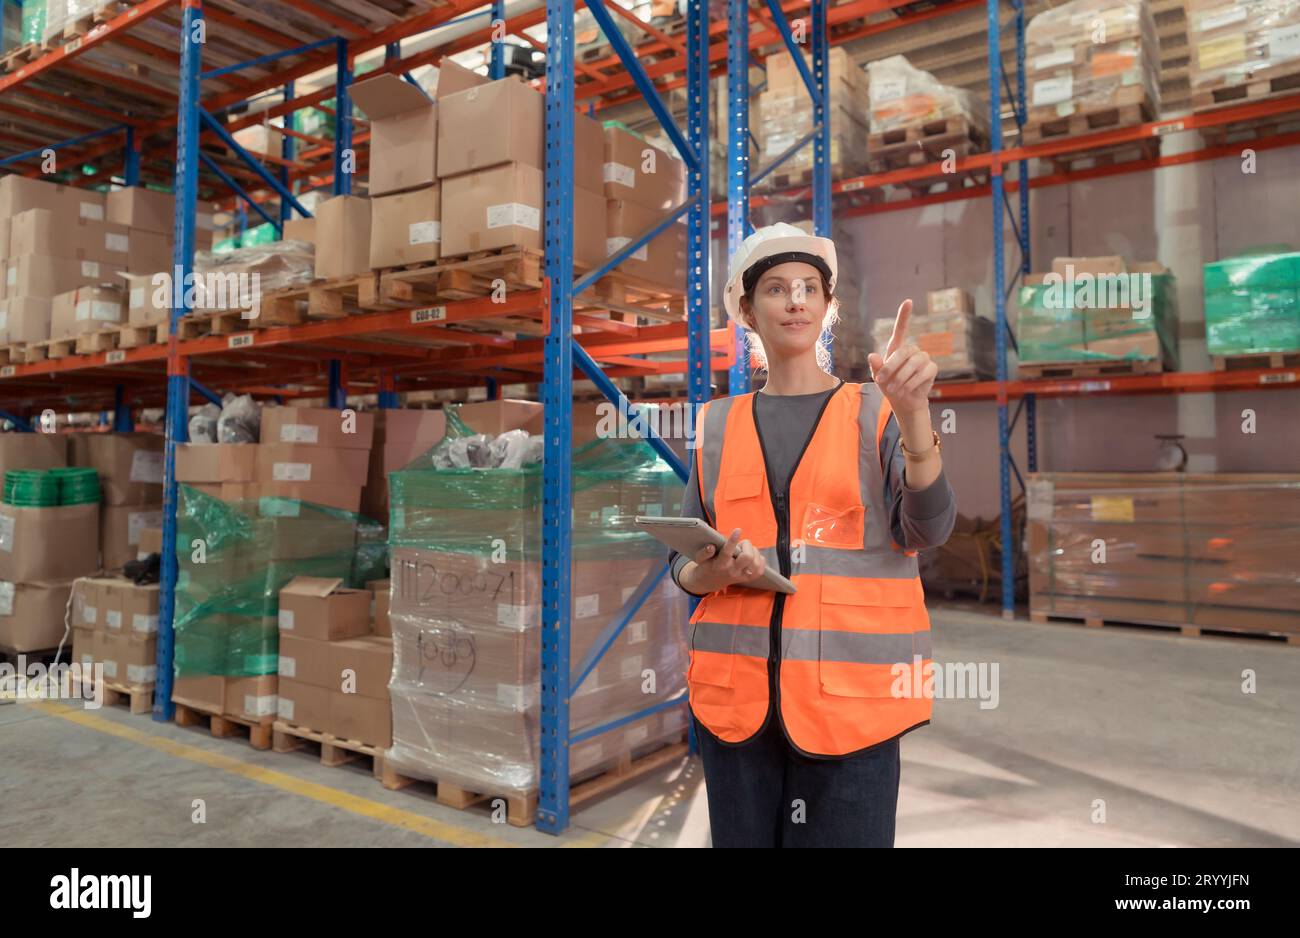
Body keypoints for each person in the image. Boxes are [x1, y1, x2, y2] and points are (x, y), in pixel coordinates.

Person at [668, 222, 956, 848]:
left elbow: (927, 528)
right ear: (746, 310)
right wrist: (712, 573)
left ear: (827, 308)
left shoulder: (875, 411)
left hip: (850, 708)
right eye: (775, 288)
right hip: (737, 712)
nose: (795, 300)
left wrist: (914, 418)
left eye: (808, 288)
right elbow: (685, 565)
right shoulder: (717, 425)